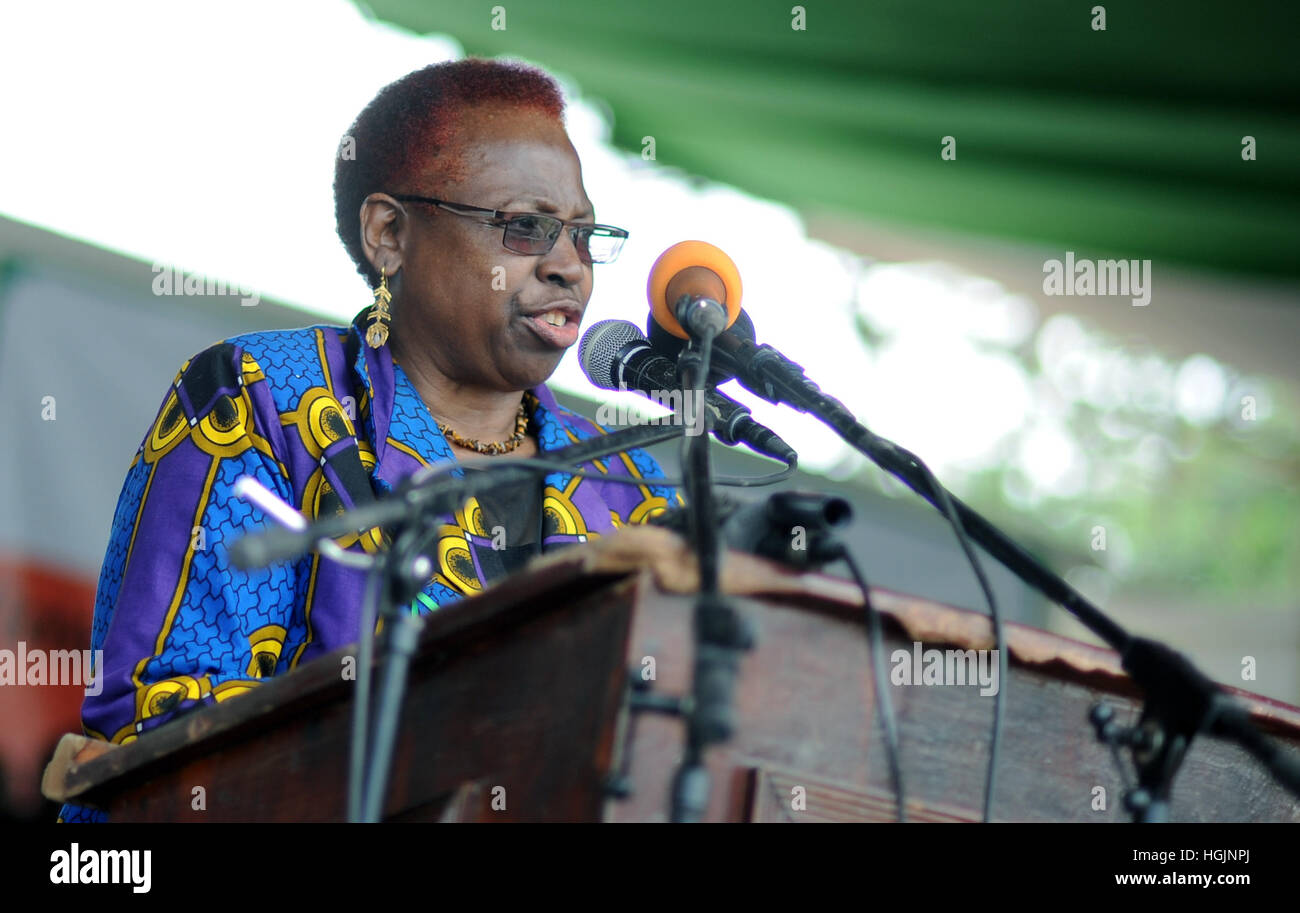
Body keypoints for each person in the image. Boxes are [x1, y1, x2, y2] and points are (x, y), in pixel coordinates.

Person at [59, 58, 684, 822]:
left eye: (585, 236)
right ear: (390, 233)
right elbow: (170, 716)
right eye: (527, 227)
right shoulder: (269, 398)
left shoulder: (633, 488)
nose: (569, 267)